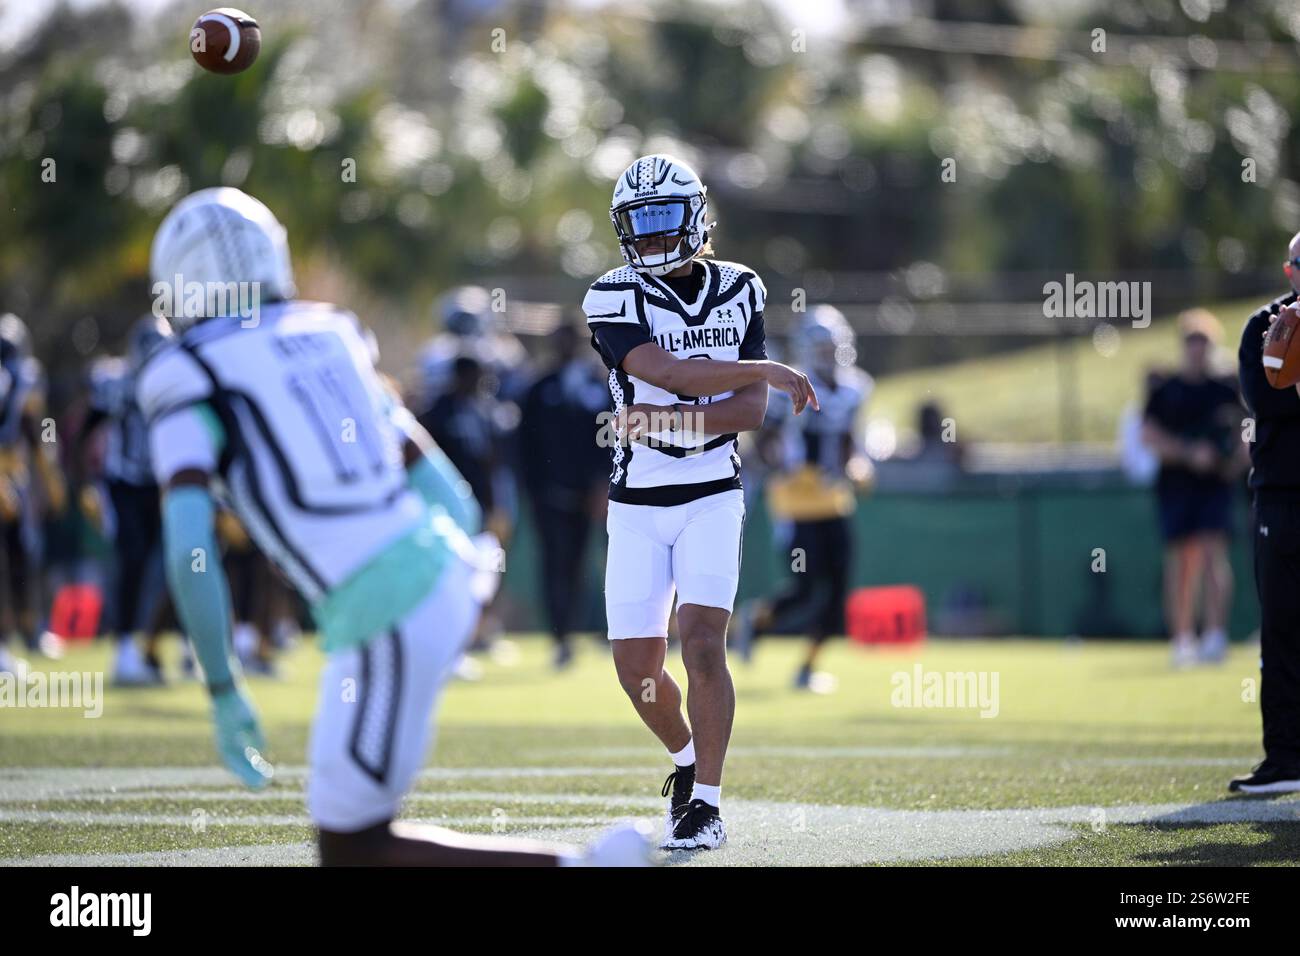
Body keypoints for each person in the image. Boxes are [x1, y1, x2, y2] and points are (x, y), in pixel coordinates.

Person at [140, 186, 651, 865]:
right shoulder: (328, 332)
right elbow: (443, 486)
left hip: (385, 605)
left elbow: (188, 548)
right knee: (354, 842)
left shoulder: (186, 370)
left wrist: (222, 686)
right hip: (434, 576)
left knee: (354, 851)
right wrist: (466, 575)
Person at [583, 154, 818, 850]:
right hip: (637, 502)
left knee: (703, 644)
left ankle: (707, 803)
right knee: (638, 673)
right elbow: (669, 373)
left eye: (663, 218)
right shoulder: (611, 294)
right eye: (639, 222)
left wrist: (668, 421)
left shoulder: (741, 287)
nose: (652, 236)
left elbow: (747, 414)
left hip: (713, 494)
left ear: (696, 218)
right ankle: (686, 762)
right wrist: (766, 369)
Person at [732, 305, 873, 692]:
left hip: (835, 501)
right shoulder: (788, 387)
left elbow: (850, 443)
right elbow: (764, 443)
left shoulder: (854, 387)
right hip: (795, 503)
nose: (827, 353)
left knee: (838, 591)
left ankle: (808, 667)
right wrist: (779, 461)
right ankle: (756, 617)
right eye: (820, 347)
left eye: (831, 346)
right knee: (806, 587)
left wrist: (858, 465)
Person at [1232, 232, 1300, 794]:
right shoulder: (1265, 325)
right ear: (1289, 270)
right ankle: (1285, 756)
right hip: (1281, 496)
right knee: (1280, 628)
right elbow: (1266, 397)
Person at [1141, 310, 1246, 668]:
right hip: (1176, 485)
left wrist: (1233, 459)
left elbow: (1245, 431)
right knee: (1181, 561)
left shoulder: (1226, 388)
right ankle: (1182, 638)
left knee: (1213, 554)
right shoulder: (1167, 390)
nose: (1197, 349)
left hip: (1215, 483)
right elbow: (1148, 435)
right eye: (1191, 342)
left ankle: (1215, 636)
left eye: (1204, 342)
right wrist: (1188, 453)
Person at [75, 315, 172, 685]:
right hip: (123, 483)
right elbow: (85, 431)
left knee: (161, 564)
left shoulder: (174, 383)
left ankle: (146, 648)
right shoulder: (118, 382)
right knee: (131, 558)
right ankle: (124, 649)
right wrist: (85, 484)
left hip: (158, 486)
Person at [517, 318, 611, 669]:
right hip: (550, 495)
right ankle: (560, 637)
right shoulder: (539, 386)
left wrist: (603, 482)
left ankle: (597, 631)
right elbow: (524, 442)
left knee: (580, 565)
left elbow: (608, 434)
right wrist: (532, 490)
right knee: (554, 564)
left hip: (588, 494)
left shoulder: (596, 384)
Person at [0, 313, 66, 675]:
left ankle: (30, 629)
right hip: (10, 475)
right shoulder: (22, 376)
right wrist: (51, 472)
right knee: (20, 554)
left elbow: (42, 427)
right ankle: (26, 631)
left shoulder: (22, 379)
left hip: (14, 475)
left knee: (22, 555)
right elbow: (42, 428)